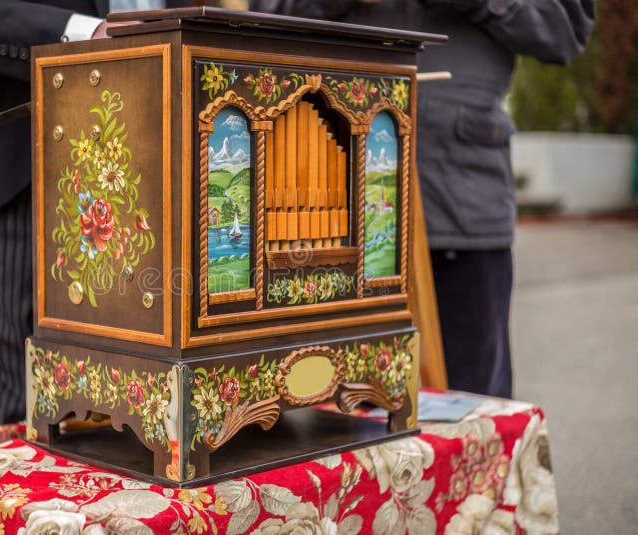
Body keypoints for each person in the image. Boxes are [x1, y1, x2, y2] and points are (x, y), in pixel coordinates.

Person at [251, 0, 595, 397]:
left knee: (473, 407)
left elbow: (565, 31)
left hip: (465, 201)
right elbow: (262, 19)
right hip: (325, 202)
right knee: (329, 409)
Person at [0, 0, 187, 427]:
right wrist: (80, 33)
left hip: (160, 174)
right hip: (22, 168)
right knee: (32, 406)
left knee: (148, 410)